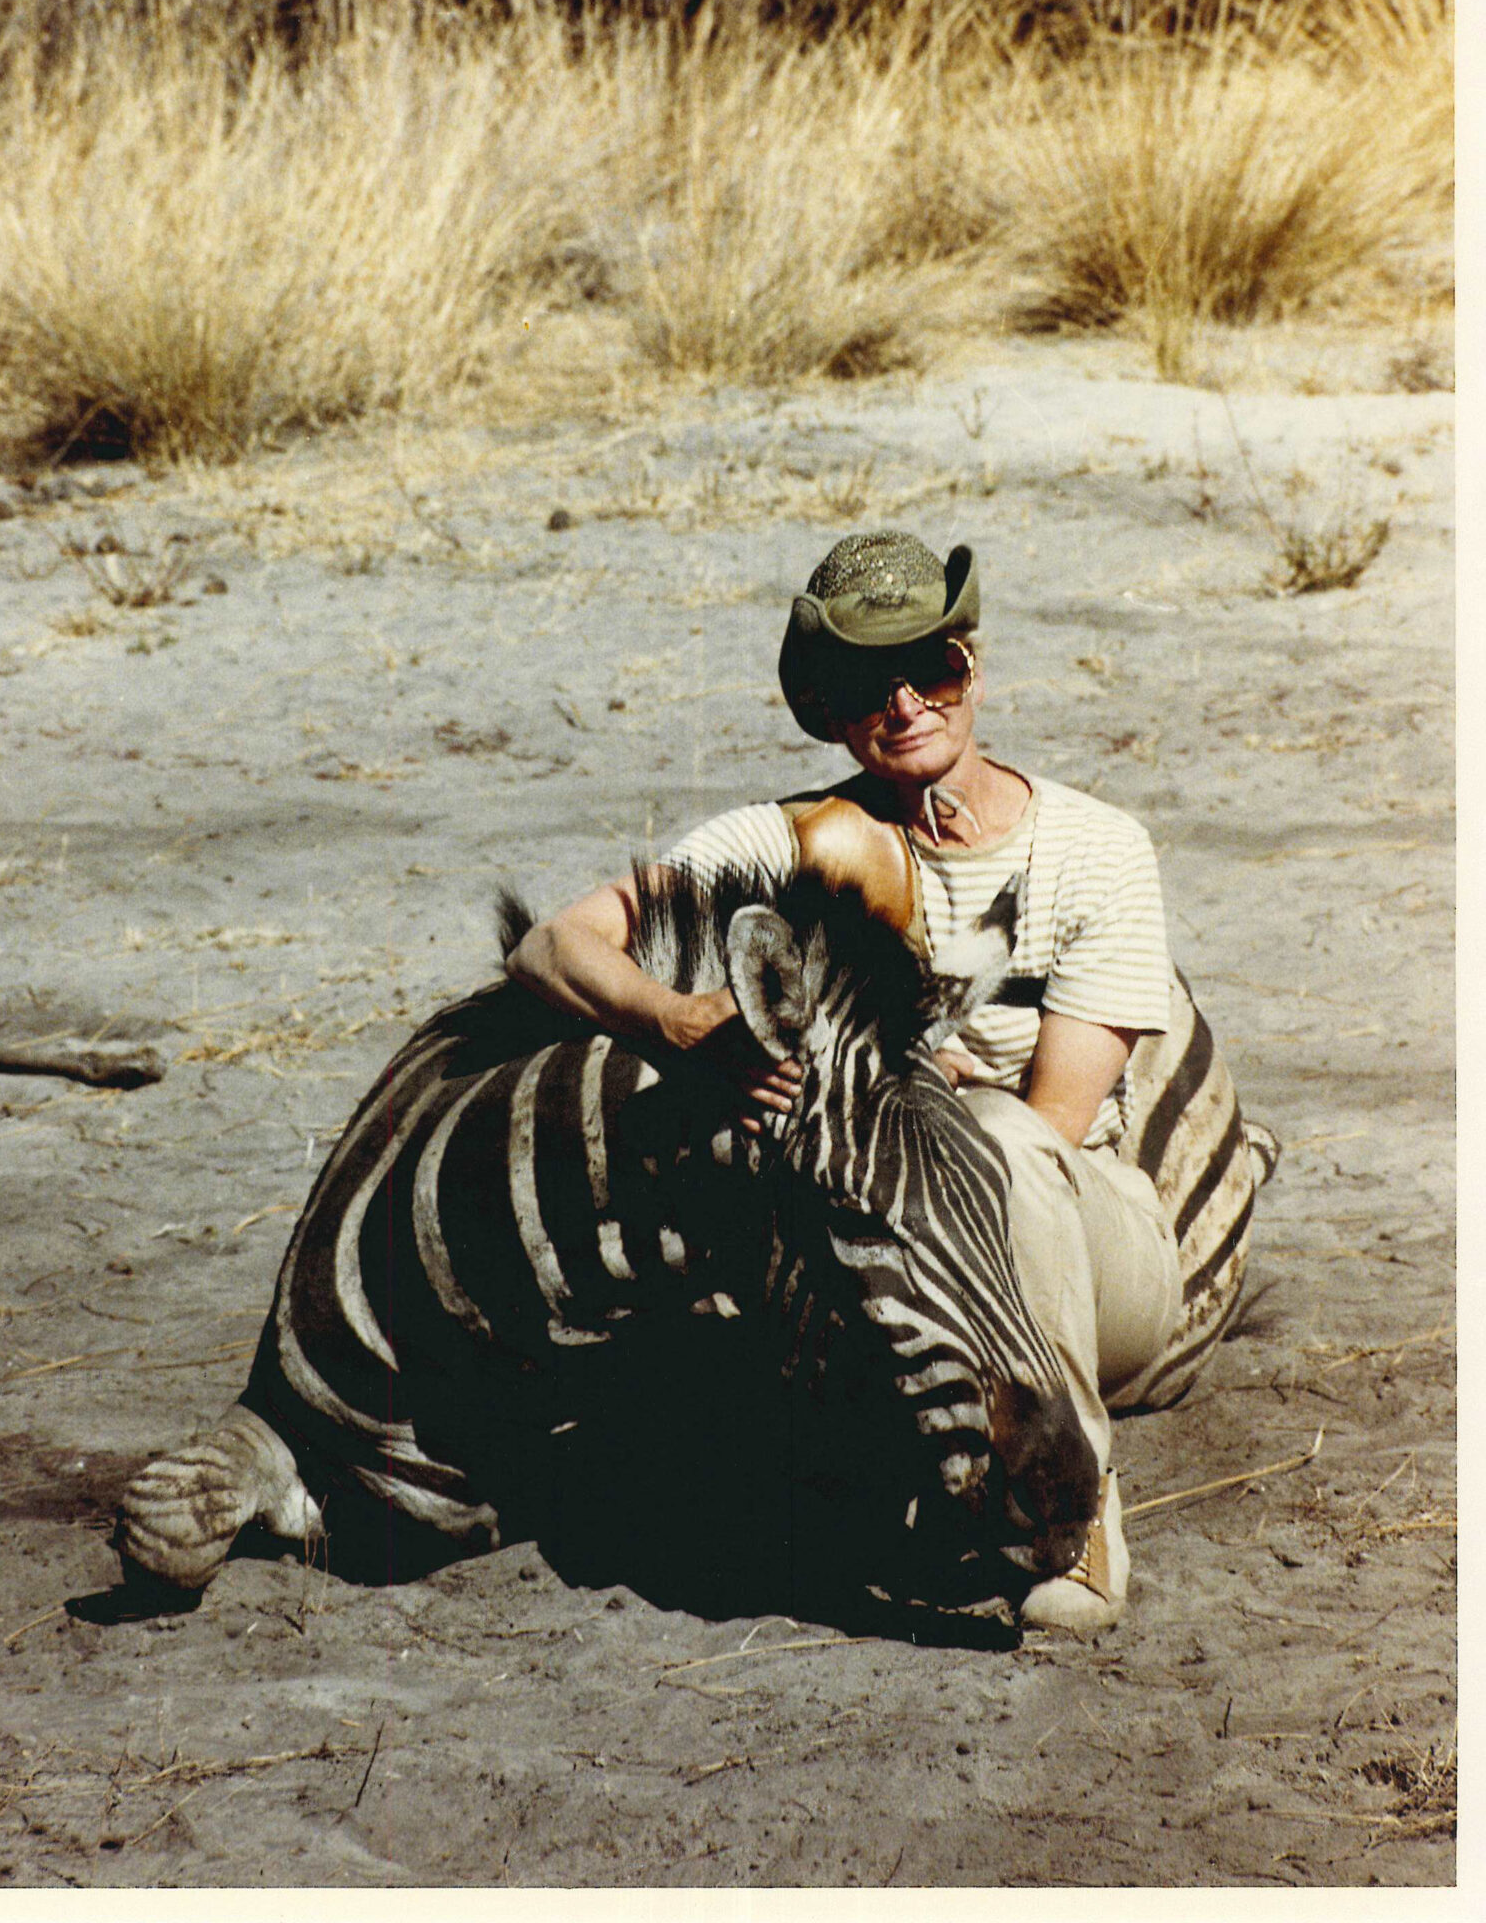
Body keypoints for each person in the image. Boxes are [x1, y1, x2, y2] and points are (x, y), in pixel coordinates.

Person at [506, 529, 1183, 1632]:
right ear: (826, 703)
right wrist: (680, 1021)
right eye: (870, 679)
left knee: (1001, 1147)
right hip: (914, 1242)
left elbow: (1051, 1130)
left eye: (935, 667)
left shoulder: (1098, 848)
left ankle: (1078, 1509)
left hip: (1079, 1232)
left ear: (974, 665)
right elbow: (550, 948)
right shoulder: (796, 839)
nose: (907, 700)